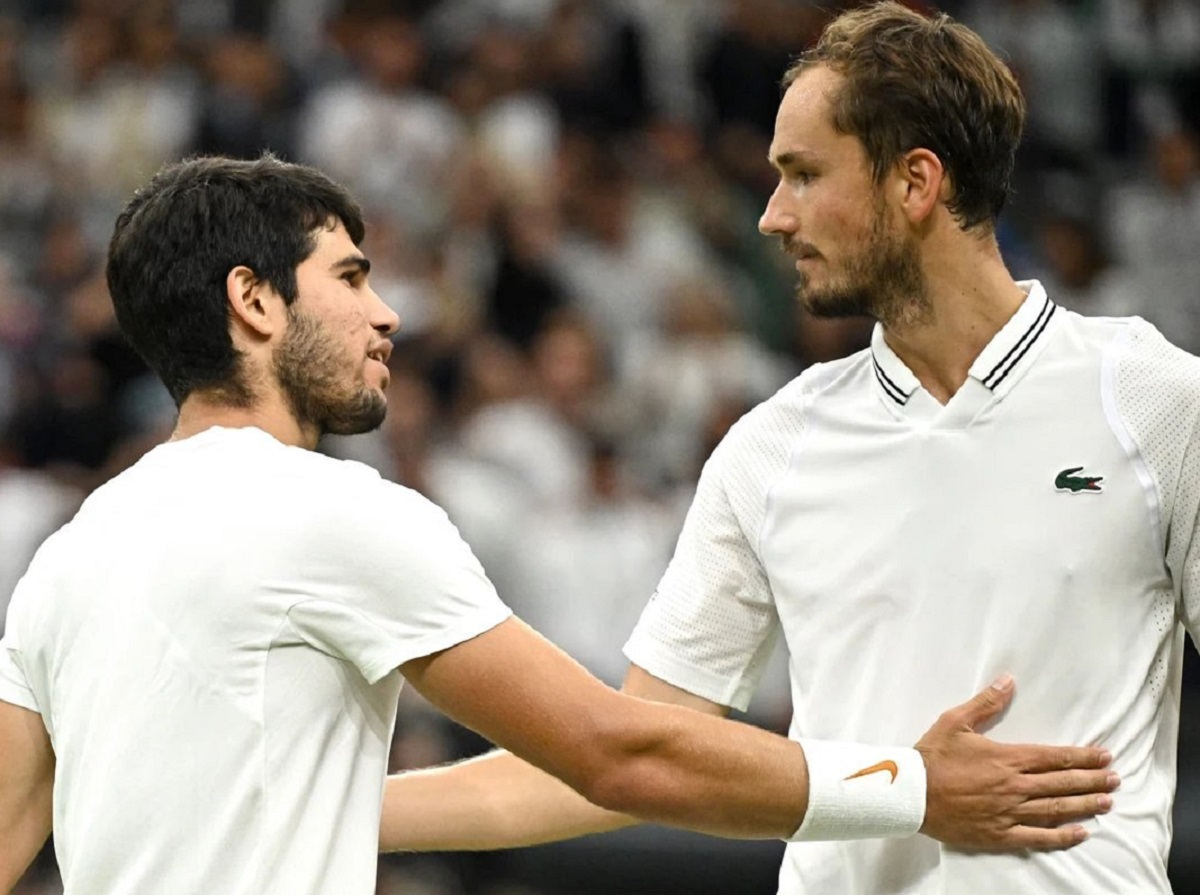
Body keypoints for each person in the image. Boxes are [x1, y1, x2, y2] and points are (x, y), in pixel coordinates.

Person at [0, 153, 1115, 895]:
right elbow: (617, 749)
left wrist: (320, 811)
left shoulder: (68, 555)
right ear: (255, 301)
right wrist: (912, 786)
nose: (387, 312)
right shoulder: (334, 514)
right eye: (351, 277)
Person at [378, 3, 1200, 893]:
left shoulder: (1152, 402)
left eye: (804, 175)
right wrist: (340, 811)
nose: (772, 216)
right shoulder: (771, 448)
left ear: (915, 182)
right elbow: (621, 755)